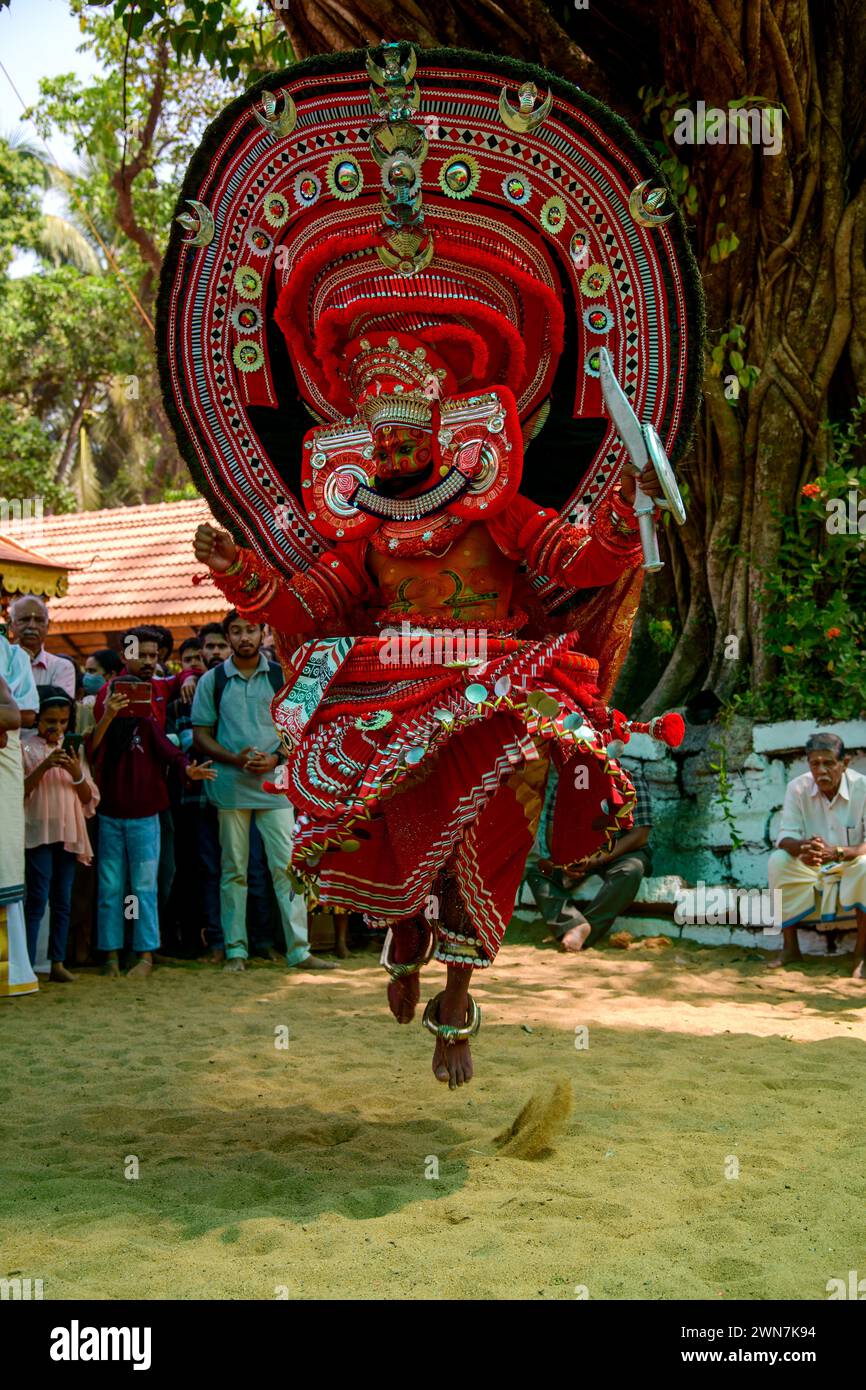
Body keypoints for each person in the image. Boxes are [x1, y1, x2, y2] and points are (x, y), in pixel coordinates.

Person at [162, 42, 702, 1085]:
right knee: (375, 803)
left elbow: (576, 559)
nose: (397, 452)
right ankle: (405, 937)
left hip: (493, 675)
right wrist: (240, 572)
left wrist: (632, 518)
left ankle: (459, 992)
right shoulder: (365, 530)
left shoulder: (494, 506)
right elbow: (304, 606)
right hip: (387, 677)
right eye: (383, 438)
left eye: (409, 436)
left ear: (443, 427)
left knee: (505, 789)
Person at [191, 610, 328, 974]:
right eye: (235, 632)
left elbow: (303, 727)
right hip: (231, 786)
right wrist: (233, 759)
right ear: (228, 636)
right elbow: (201, 734)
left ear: (263, 632)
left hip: (274, 784)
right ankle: (236, 950)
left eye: (250, 630)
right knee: (233, 869)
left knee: (286, 867)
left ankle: (299, 950)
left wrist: (277, 757)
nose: (243, 637)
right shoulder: (213, 681)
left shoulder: (283, 675)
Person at [88, 675, 215, 978]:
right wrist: (109, 713)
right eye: (119, 694)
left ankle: (143, 952)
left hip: (145, 817)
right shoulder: (106, 724)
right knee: (111, 888)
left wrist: (188, 768)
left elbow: (171, 753)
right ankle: (112, 954)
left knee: (142, 888)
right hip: (111, 817)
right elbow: (92, 749)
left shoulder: (147, 725)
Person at [525, 760, 653, 950]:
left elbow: (640, 834)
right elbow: (554, 830)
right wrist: (566, 859)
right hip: (578, 855)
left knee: (631, 870)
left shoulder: (629, 778)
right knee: (538, 872)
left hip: (620, 854)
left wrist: (598, 859)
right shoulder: (567, 780)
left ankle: (583, 931)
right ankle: (574, 924)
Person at [768, 733, 866, 978]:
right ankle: (790, 949)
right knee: (778, 861)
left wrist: (840, 852)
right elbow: (784, 837)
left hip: (852, 863)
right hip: (813, 866)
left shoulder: (862, 788)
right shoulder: (797, 788)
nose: (821, 770)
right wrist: (804, 847)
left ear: (845, 763)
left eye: (829, 763)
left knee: (865, 865)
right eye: (815, 764)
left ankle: (862, 955)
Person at [22, 687, 99, 981]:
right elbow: (20, 791)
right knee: (38, 897)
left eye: (63, 721)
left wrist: (75, 770)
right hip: (38, 832)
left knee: (63, 899)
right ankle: (27, 964)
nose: (57, 728)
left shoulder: (73, 748)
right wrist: (44, 766)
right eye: (50, 721)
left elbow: (88, 796)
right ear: (37, 719)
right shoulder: (25, 746)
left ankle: (57, 962)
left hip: (68, 832)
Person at [0, 630, 39, 999]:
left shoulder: (11, 655)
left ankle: (10, 973)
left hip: (2, 762)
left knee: (3, 857)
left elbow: (20, 715)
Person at [9, 593, 75, 698]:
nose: (32, 625)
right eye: (25, 619)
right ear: (11, 626)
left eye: (39, 620)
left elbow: (57, 711)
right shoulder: (3, 663)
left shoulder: (61, 667)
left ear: (47, 627)